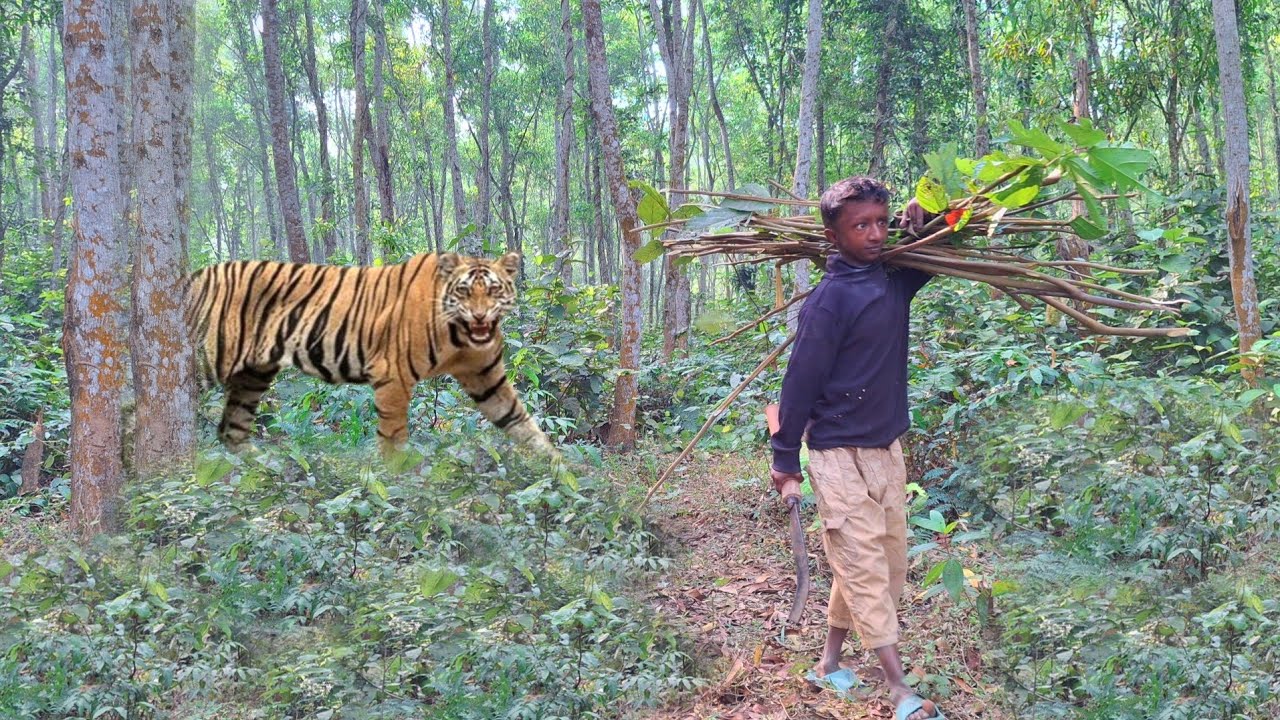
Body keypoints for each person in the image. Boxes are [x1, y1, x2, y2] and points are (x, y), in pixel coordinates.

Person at [769, 176, 944, 720]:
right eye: (859, 226)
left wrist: (932, 216)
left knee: (885, 567)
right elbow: (797, 385)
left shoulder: (893, 280)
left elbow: (944, 244)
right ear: (833, 234)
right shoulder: (829, 301)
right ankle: (899, 689)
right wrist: (785, 461)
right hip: (835, 454)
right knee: (865, 567)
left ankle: (828, 664)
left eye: (880, 223)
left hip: (885, 449)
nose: (873, 235)